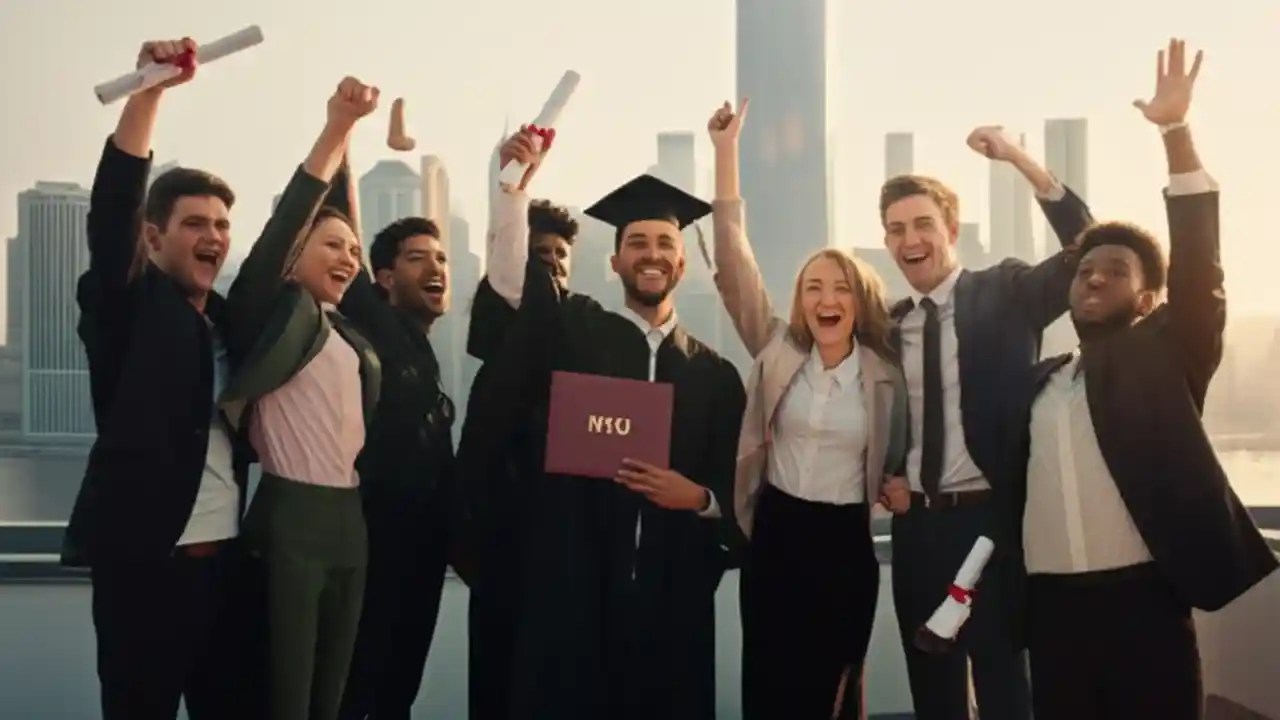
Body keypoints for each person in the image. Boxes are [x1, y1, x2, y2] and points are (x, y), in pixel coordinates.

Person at [1001, 40, 1277, 720]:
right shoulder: (1040, 380)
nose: (1093, 278)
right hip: (1052, 612)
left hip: (1144, 606)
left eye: (1115, 272)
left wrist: (1175, 132)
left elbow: (1196, 262)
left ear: (1149, 299)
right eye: (1084, 271)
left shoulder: (1168, 352)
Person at [464, 133, 746, 719]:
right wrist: (514, 189)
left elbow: (739, 489)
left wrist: (698, 498)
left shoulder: (715, 376)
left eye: (665, 243)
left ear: (682, 261)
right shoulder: (574, 330)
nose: (652, 253)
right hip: (577, 587)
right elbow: (515, 283)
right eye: (636, 242)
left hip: (672, 594)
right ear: (614, 260)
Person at [878, 125, 1095, 719]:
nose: (910, 239)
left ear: (950, 230)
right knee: (934, 692)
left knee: (1004, 688)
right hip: (917, 530)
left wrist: (1021, 162)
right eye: (896, 229)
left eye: (923, 224)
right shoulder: (890, 327)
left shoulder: (1006, 292)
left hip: (992, 524)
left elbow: (1088, 246)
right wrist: (888, 476)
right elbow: (876, 419)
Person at [65, 37, 254, 720]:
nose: (215, 235)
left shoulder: (229, 321)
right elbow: (113, 210)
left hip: (227, 566)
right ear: (153, 239)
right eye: (196, 223)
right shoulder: (127, 307)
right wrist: (149, 92)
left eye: (224, 225)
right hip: (147, 573)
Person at [706, 99, 907, 719]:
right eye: (813, 286)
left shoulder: (887, 376)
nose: (826, 298)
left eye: (840, 286)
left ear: (860, 299)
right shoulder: (775, 350)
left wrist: (904, 484)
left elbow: (919, 446)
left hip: (847, 543)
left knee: (835, 691)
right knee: (770, 684)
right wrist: (725, 153)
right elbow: (735, 265)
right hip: (777, 535)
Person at [219, 77, 380, 720]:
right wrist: (335, 129)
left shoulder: (348, 331)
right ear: (293, 260)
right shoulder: (275, 311)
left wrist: (357, 146)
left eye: (353, 249)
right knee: (283, 691)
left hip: (350, 521)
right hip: (290, 516)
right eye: (331, 246)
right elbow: (287, 223)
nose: (348, 258)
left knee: (329, 694)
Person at [317, 162, 457, 719]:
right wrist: (344, 138)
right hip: (374, 556)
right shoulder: (373, 328)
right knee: (358, 693)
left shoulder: (424, 351)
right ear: (381, 277)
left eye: (442, 258)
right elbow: (341, 221)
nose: (436, 267)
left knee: (397, 696)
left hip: (423, 559)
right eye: (417, 257)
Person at [459, 130, 586, 720]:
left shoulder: (582, 327)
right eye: (542, 254)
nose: (552, 265)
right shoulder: (508, 308)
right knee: (502, 683)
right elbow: (508, 261)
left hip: (563, 545)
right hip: (503, 539)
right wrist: (512, 186)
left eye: (562, 256)